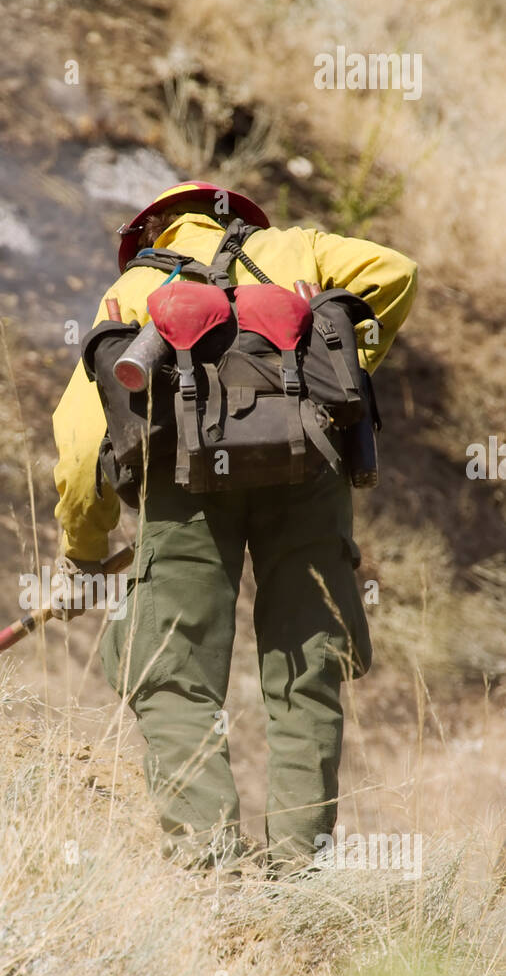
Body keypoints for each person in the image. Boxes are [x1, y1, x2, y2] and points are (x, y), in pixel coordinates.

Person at [51, 181, 417, 873]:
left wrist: (86, 547)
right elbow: (398, 272)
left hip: (184, 484)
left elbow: (78, 448)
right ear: (237, 217)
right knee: (305, 672)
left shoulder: (133, 289)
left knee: (171, 673)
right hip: (307, 470)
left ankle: (210, 868)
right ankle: (297, 874)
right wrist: (344, 368)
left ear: (155, 229)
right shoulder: (295, 249)